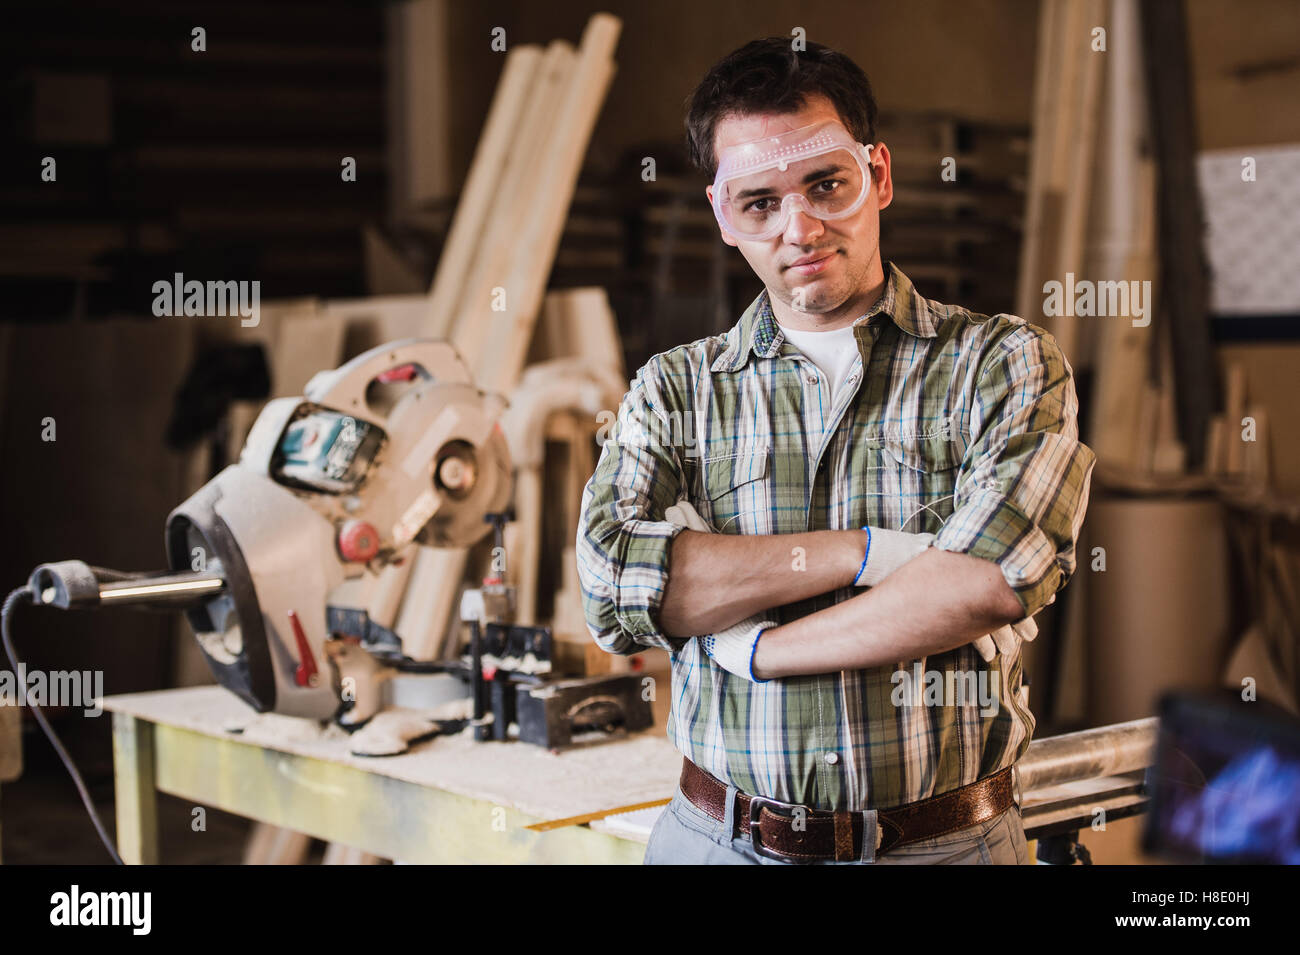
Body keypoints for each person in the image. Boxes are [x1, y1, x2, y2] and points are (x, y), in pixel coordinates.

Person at [576, 37, 1095, 864]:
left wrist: (755, 645)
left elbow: (991, 579)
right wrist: (872, 554)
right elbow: (613, 586)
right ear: (721, 214)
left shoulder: (1003, 362)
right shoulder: (675, 389)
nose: (801, 228)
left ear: (878, 177)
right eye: (760, 203)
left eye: (827, 185)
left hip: (946, 846)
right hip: (719, 841)